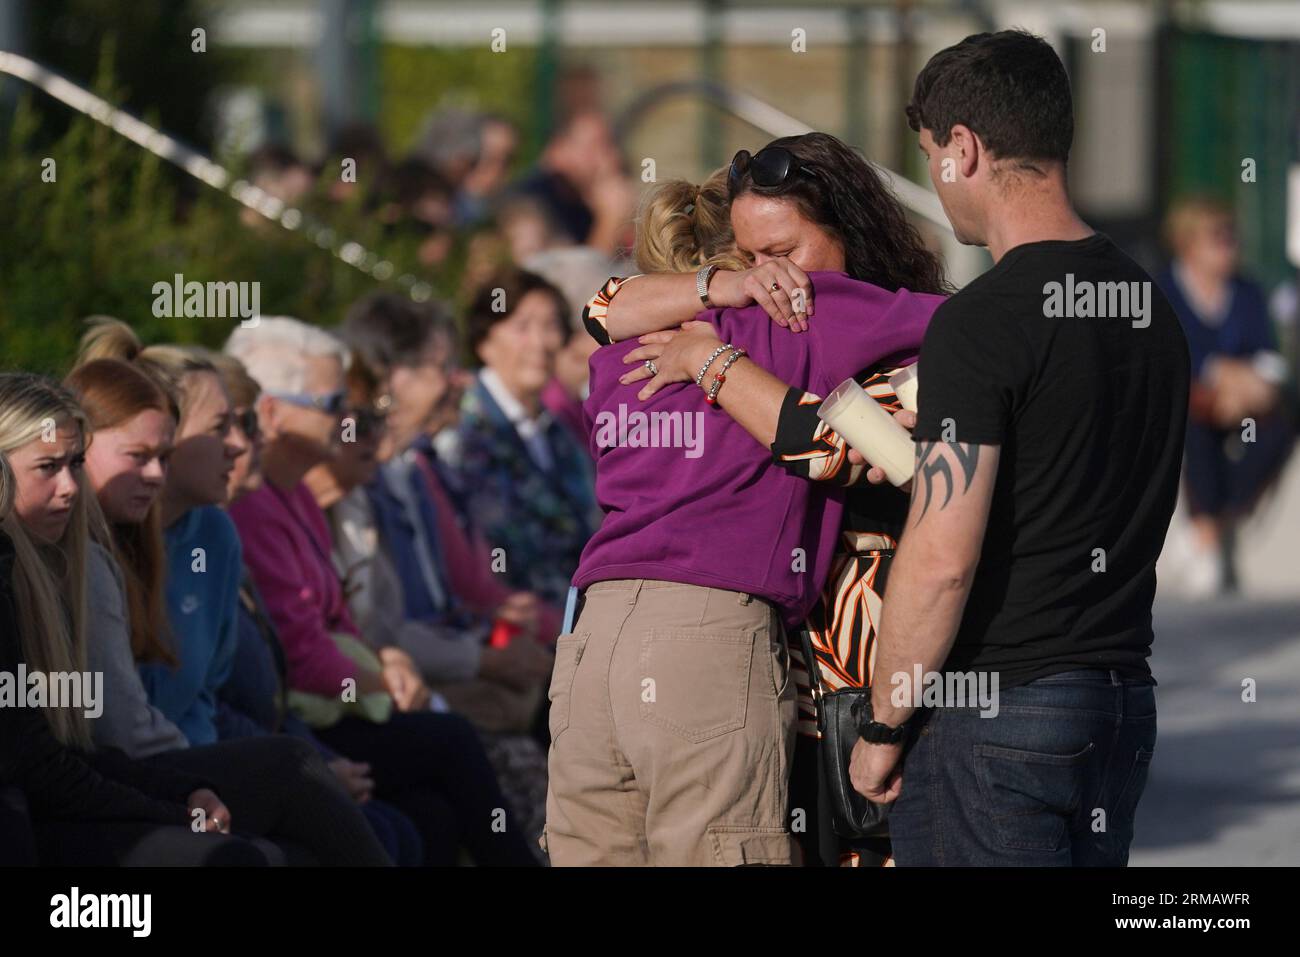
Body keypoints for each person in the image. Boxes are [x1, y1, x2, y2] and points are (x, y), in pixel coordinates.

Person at [847, 29, 1190, 867]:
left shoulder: (982, 321)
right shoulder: (1148, 308)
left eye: (931, 154)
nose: (936, 177)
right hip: (1117, 701)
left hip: (996, 710)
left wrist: (883, 725)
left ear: (964, 147)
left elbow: (942, 559)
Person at [544, 149, 943, 866]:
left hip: (591, 634)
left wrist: (711, 302)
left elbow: (600, 308)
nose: (775, 273)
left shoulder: (617, 358)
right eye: (761, 260)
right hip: (707, 630)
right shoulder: (803, 314)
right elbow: (969, 326)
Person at [224, 316, 539, 866]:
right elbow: (298, 651)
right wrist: (380, 681)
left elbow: (339, 617)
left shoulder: (292, 492)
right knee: (451, 740)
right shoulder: (252, 506)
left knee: (432, 814)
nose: (346, 419)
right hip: (307, 717)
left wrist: (381, 664)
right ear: (272, 412)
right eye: (331, 403)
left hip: (338, 702)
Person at [64, 345, 393, 866]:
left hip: (182, 762)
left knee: (385, 809)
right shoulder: (83, 555)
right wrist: (200, 779)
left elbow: (212, 697)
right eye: (222, 427)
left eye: (162, 457)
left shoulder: (210, 535)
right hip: (122, 777)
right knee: (286, 790)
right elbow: (117, 727)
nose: (241, 445)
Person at [0, 373, 282, 866]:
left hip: (52, 802)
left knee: (281, 804)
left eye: (76, 464)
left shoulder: (61, 567)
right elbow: (41, 764)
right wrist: (173, 810)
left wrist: (186, 791)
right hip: (30, 821)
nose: (70, 487)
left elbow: (67, 751)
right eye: (47, 467)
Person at [437, 268, 601, 609]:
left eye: (551, 326)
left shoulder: (559, 435)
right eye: (522, 327)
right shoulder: (462, 429)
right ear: (484, 340)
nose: (540, 343)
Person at [1157, 196, 1294, 595]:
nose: (1229, 246)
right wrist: (1222, 378)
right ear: (1189, 243)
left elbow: (1267, 355)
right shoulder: (1164, 289)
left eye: (1232, 237)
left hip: (1241, 405)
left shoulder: (1247, 291)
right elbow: (1171, 353)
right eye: (1218, 237)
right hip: (1195, 403)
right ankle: (1208, 533)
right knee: (1195, 434)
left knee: (1275, 431)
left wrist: (1246, 389)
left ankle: (1210, 527)